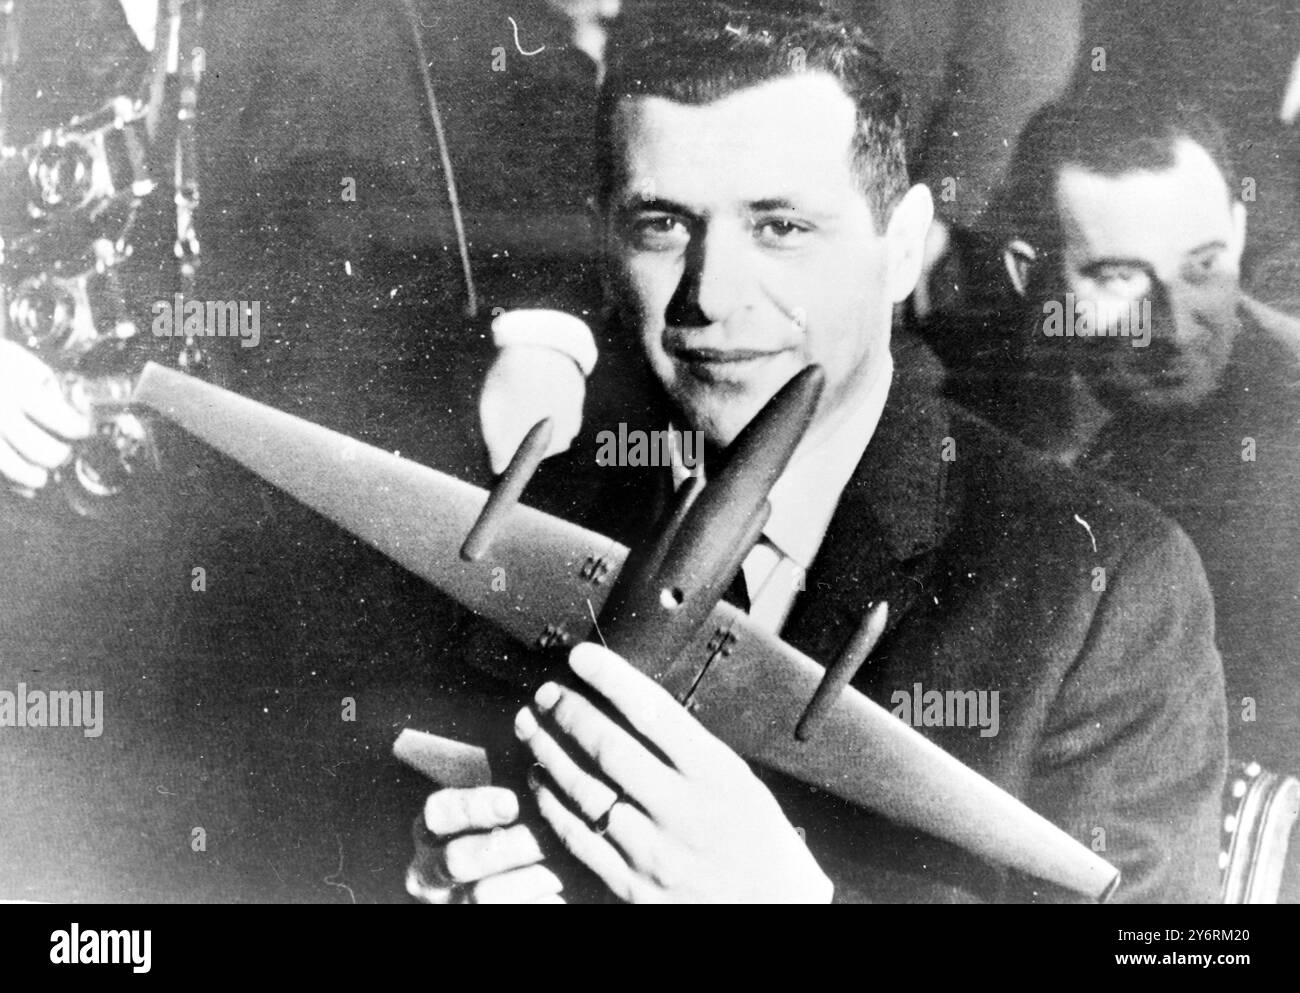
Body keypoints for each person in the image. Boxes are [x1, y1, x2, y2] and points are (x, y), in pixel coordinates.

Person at [403, 0, 1227, 905]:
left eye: (781, 228)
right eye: (663, 227)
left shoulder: (1100, 588)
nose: (711, 295)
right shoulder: (535, 501)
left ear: (903, 247)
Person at [950, 95, 1300, 787]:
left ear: (1239, 228)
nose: (1170, 326)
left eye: (1203, 267)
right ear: (1029, 271)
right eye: (1119, 277)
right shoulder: (953, 393)